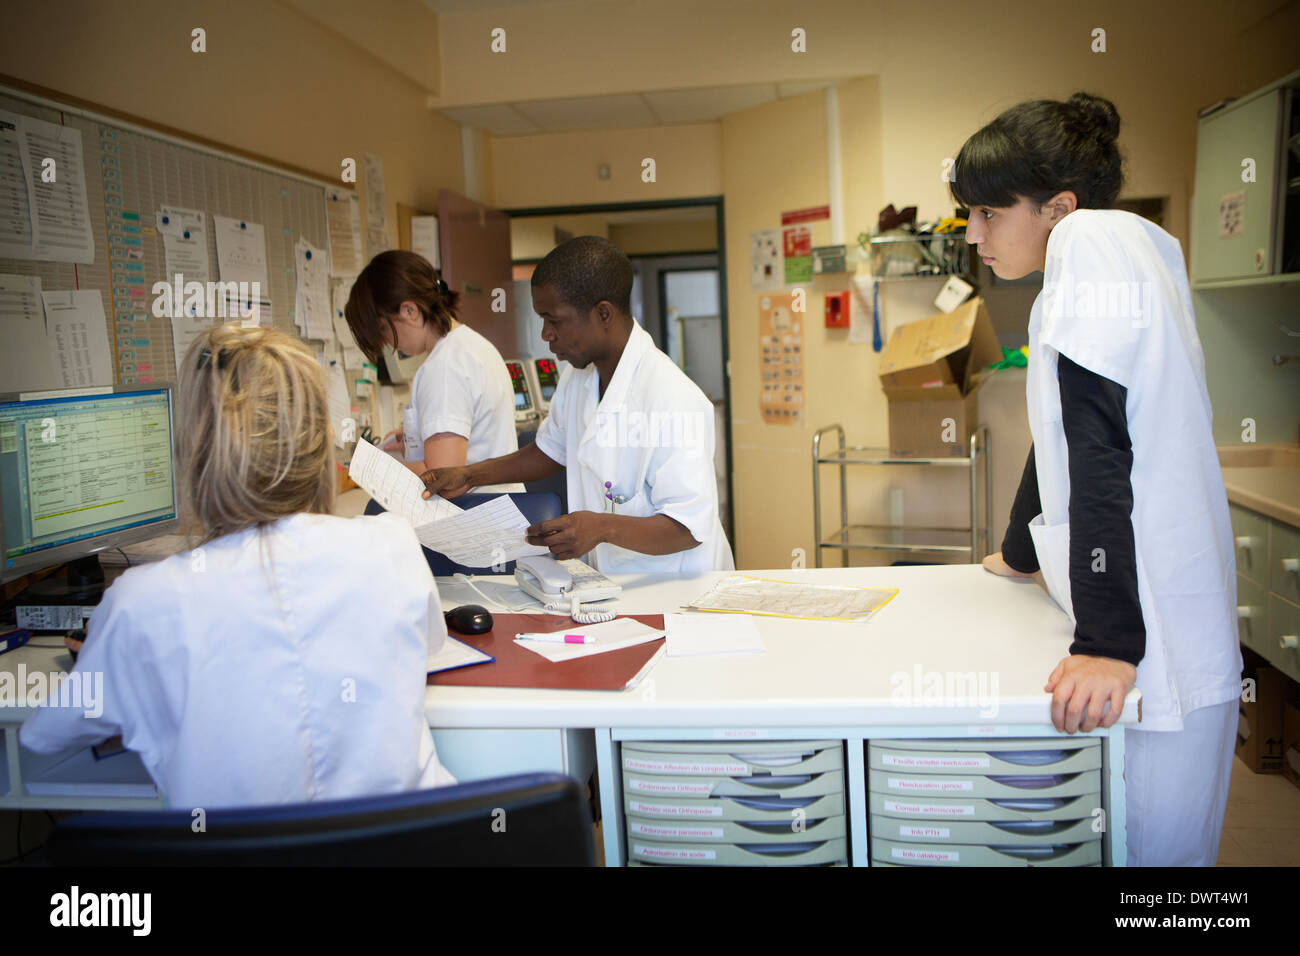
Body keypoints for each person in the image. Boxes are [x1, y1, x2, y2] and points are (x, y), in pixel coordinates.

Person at [954, 93, 1241, 866]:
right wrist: (1017, 553)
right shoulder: (1135, 246)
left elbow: (1099, 446)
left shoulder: (1088, 245)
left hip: (1152, 634)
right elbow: (1059, 441)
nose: (973, 235)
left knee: (1159, 883)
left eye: (987, 212)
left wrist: (1109, 646)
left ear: (1059, 207)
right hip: (1165, 604)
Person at [21, 324, 456, 808]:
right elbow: (430, 645)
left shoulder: (143, 603)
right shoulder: (390, 544)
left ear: (195, 452)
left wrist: (114, 664)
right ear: (320, 446)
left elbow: (43, 738)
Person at [422, 236, 734, 575]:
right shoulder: (579, 377)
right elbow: (548, 450)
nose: (545, 334)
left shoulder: (672, 398)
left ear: (603, 314)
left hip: (678, 585)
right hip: (617, 580)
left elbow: (689, 527)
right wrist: (470, 474)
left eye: (554, 320)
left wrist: (602, 527)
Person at [345, 250, 522, 492]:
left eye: (384, 330)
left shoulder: (443, 367)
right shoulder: (473, 344)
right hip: (498, 508)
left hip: (473, 516)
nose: (388, 344)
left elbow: (445, 482)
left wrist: (374, 465)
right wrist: (419, 437)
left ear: (410, 310)